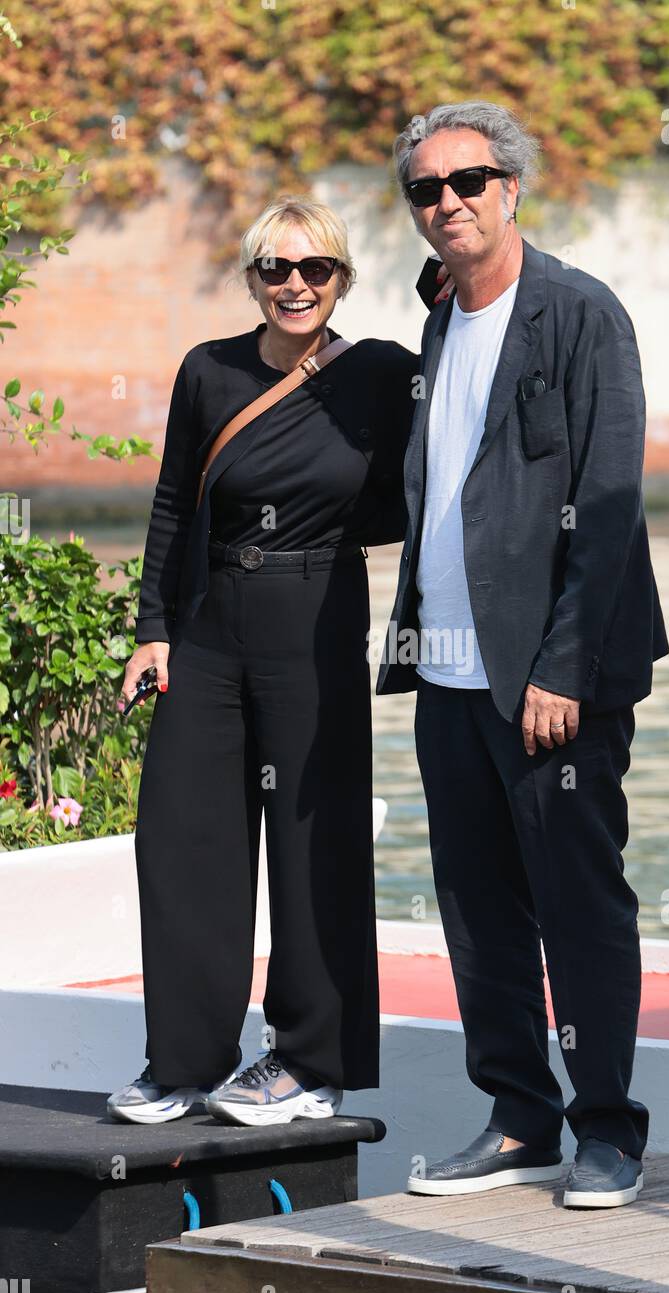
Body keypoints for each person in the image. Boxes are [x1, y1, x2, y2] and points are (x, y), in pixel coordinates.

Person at [377, 102, 669, 1206]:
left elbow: (607, 503)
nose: (445, 203)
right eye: (424, 190)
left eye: (468, 182)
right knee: (476, 904)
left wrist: (562, 664)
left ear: (512, 189)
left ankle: (607, 1128)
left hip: (554, 680)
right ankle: (517, 1118)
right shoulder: (438, 321)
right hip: (447, 671)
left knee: (580, 900)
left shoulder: (581, 314)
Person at [108, 197, 421, 1125]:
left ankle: (307, 1062)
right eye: (275, 270)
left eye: (314, 269)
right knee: (182, 837)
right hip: (205, 622)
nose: (295, 285)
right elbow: (173, 501)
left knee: (312, 844)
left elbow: (418, 485)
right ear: (252, 279)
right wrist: (151, 627)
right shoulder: (208, 371)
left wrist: (336, 535)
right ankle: (183, 1062)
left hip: (314, 616)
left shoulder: (378, 376)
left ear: (343, 279)